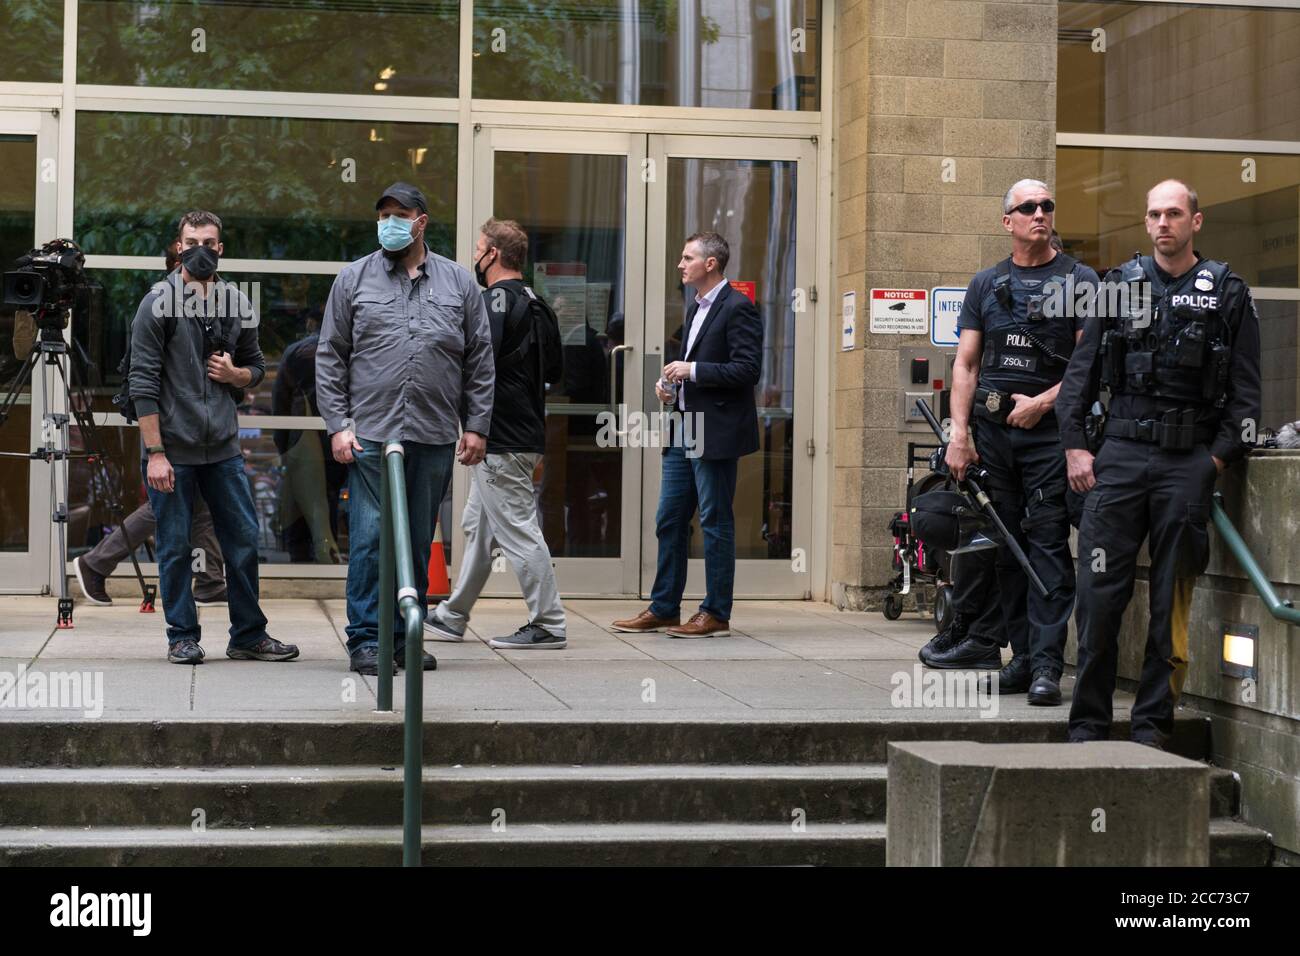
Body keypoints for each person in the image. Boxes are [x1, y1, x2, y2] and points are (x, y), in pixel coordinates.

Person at [1059, 179, 1261, 746]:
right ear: (1146, 224)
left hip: (1185, 463)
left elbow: (1245, 399)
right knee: (1098, 599)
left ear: (1197, 221)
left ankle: (1151, 726)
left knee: (1170, 604)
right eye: (1154, 214)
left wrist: (1215, 462)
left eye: (1174, 213)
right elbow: (1079, 377)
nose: (1163, 223)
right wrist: (1076, 445)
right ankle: (1088, 724)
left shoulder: (1228, 292)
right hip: (1118, 458)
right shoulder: (1115, 287)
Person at [317, 183, 494, 675]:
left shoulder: (459, 283)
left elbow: (479, 359)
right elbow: (331, 355)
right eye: (383, 215)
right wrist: (337, 425)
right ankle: (367, 639)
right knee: (372, 539)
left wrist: (476, 425)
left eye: (400, 214)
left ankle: (401, 636)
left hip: (434, 433)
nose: (389, 222)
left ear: (422, 221)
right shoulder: (354, 279)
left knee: (416, 539)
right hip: (372, 433)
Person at [938, 180, 1099, 705]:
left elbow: (1087, 365)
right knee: (1005, 547)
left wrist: (1044, 402)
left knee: (1048, 544)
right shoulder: (986, 283)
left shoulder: (1079, 279)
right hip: (992, 433)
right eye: (1028, 207)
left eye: (1047, 205)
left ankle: (1049, 667)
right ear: (1007, 221)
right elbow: (965, 364)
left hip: (1049, 435)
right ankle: (1022, 658)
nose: (1040, 213)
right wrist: (958, 434)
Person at [128, 210, 297, 664]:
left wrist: (235, 373)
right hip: (174, 450)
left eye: (209, 241)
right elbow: (141, 384)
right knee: (175, 546)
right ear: (178, 247)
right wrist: (155, 454)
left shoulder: (238, 303)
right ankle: (181, 635)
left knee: (242, 539)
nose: (200, 248)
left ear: (220, 249)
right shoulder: (156, 303)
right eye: (191, 241)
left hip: (222, 449)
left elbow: (256, 369)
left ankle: (248, 634)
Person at [611, 232, 762, 638]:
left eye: (687, 257)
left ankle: (715, 613)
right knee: (669, 518)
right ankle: (664, 608)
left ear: (710, 263)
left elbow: (747, 371)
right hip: (683, 427)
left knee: (714, 519)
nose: (680, 264)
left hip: (715, 433)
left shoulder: (738, 307)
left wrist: (691, 371)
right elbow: (697, 369)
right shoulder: (695, 307)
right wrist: (670, 388)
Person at [424, 218, 565, 648]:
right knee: (478, 526)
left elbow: (476, 365)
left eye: (480, 248)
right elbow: (556, 371)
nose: (475, 257)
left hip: (498, 437)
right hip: (523, 432)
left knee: (518, 529)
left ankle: (549, 622)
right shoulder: (538, 303)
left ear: (494, 255)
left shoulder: (493, 302)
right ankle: (452, 615)